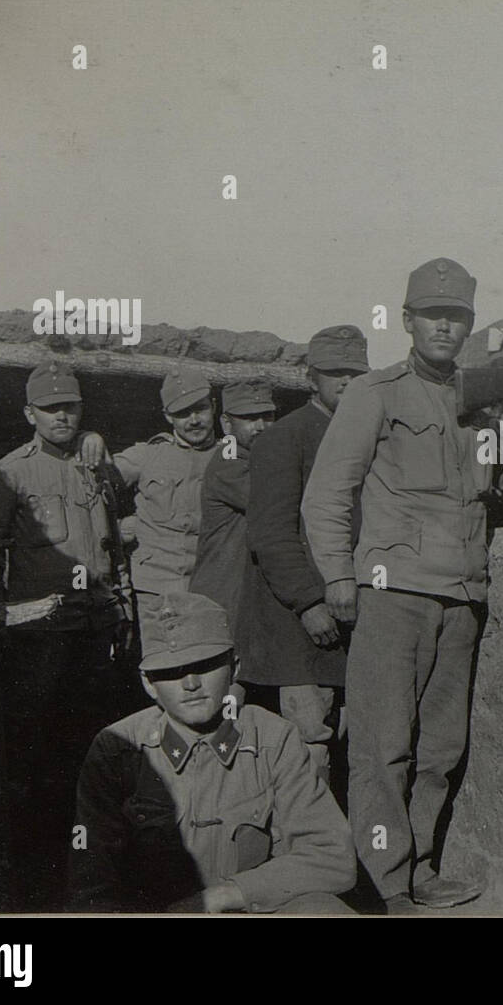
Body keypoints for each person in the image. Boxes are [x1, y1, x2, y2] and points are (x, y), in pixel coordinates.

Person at [302, 258, 490, 912]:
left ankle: (420, 870)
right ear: (408, 321)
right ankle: (382, 886)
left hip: (462, 598)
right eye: (433, 314)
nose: (446, 325)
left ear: (469, 324)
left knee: (441, 746)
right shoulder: (375, 392)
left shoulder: (479, 400)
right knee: (384, 746)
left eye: (458, 315)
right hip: (393, 594)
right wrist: (338, 573)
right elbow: (326, 494)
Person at [67, 591, 357, 914]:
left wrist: (225, 895)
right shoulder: (117, 749)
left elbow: (333, 854)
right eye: (172, 671)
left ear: (234, 667)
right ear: (149, 685)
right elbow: (91, 884)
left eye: (205, 665)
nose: (191, 683)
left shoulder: (272, 739)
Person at [0, 360, 136, 910]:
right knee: (37, 759)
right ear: (29, 414)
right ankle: (35, 880)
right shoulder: (9, 476)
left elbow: (120, 529)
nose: (63, 416)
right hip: (41, 639)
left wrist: (103, 451)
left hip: (97, 634)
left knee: (95, 753)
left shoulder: (93, 465)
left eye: (71, 406)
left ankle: (90, 874)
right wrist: (4, 618)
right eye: (51, 408)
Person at [241, 326, 368, 788]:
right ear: (311, 378)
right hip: (302, 629)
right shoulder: (283, 439)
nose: (348, 382)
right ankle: (305, 851)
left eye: (357, 373)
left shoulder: (368, 434)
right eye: (336, 373)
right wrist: (308, 602)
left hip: (355, 618)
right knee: (308, 748)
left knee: (355, 744)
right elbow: (270, 535)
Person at [110, 365, 219, 632]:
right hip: (154, 589)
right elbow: (89, 482)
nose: (193, 420)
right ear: (168, 417)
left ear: (214, 406)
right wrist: (116, 527)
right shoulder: (147, 455)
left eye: (200, 408)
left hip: (211, 586)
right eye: (182, 413)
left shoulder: (229, 456)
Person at [189, 379, 276, 636]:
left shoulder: (257, 456)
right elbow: (275, 502)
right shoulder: (229, 461)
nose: (261, 426)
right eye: (249, 418)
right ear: (227, 424)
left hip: (240, 594)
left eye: (267, 417)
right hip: (223, 596)